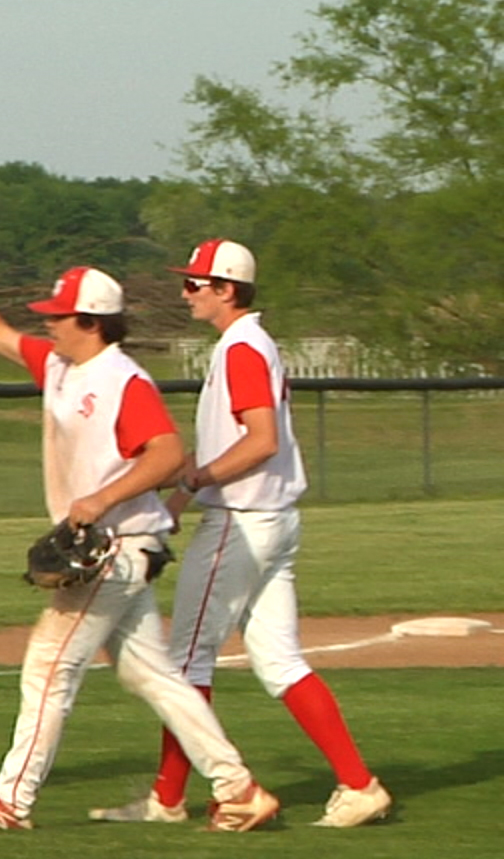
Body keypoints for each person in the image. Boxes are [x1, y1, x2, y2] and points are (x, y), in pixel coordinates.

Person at [0, 214, 279, 832]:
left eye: (59, 315)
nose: (47, 322)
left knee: (47, 668)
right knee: (155, 678)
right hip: (119, 547)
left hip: (115, 546)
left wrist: (99, 501)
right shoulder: (61, 366)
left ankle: (11, 804)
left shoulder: (121, 378)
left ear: (91, 322)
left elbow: (167, 453)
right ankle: (239, 787)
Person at [87, 239, 389, 828]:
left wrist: (195, 478)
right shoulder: (245, 346)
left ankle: (171, 798)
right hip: (271, 522)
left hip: (241, 524)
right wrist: (178, 497)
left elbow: (260, 442)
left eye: (195, 284)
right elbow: (235, 443)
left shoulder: (243, 348)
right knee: (279, 662)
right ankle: (359, 785)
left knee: (185, 663)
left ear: (227, 289)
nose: (185, 292)